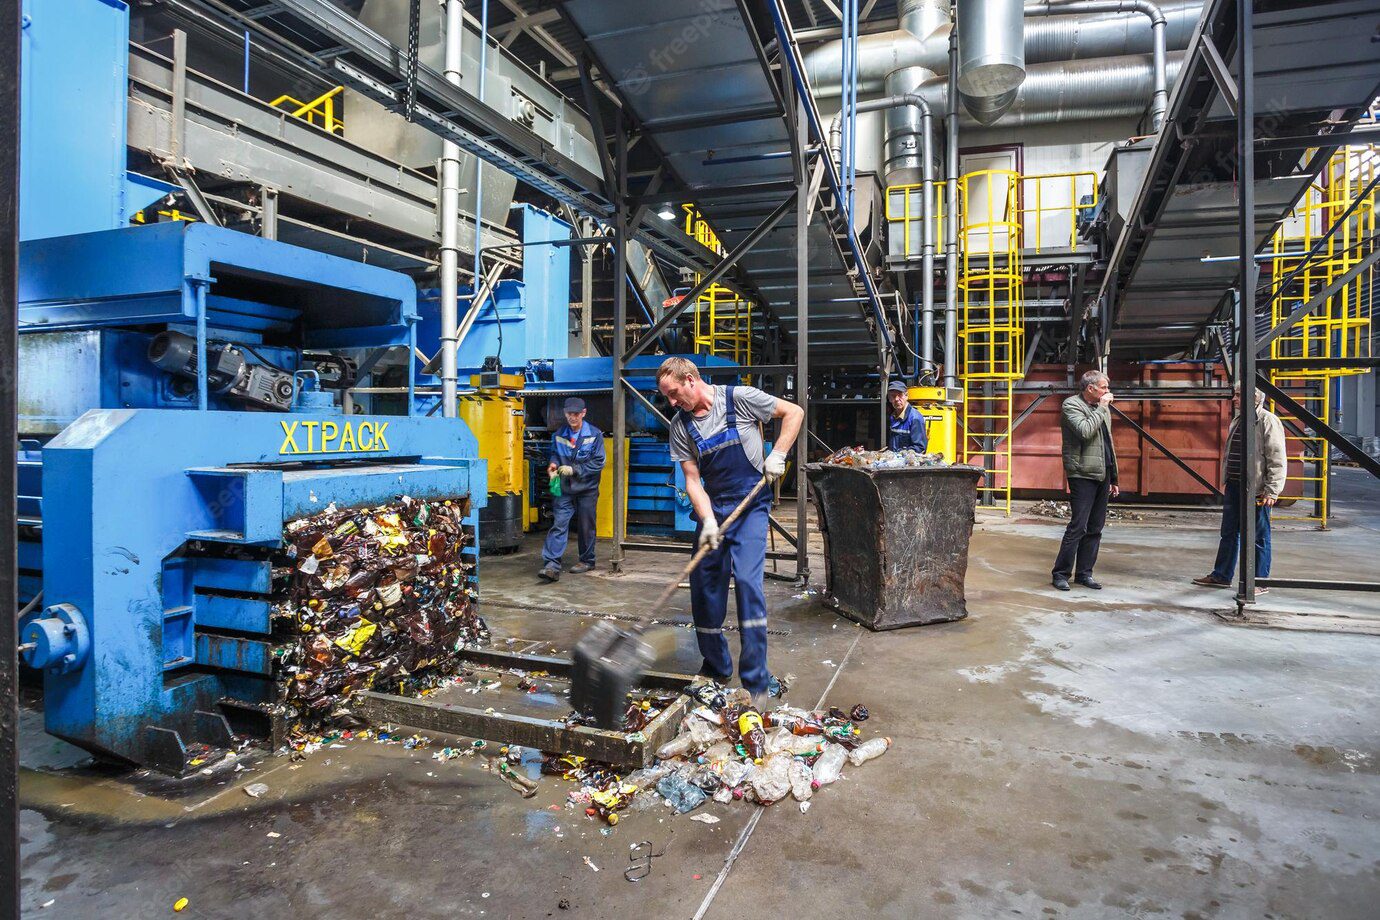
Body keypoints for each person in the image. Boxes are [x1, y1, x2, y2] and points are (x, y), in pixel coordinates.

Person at [658, 357, 804, 706]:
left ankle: (756, 680)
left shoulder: (739, 398)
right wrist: (707, 520)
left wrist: (779, 454)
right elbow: (693, 480)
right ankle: (716, 665)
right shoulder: (680, 426)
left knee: (749, 584)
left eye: (675, 394)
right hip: (717, 505)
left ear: (691, 380)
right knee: (705, 583)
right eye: (668, 397)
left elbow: (793, 412)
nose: (673, 403)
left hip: (751, 505)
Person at [1192, 386, 1287, 593]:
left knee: (1259, 536)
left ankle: (1259, 581)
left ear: (1252, 398)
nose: (1233, 398)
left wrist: (1272, 490)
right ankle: (1222, 576)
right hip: (1235, 485)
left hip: (1257, 489)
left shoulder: (1267, 421)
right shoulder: (1239, 420)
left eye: (1238, 395)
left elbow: (1277, 458)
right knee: (1229, 532)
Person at [1052, 369, 1120, 591]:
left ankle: (1084, 573)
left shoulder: (1102, 409)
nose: (1107, 392)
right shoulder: (1071, 405)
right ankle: (1060, 574)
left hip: (1103, 472)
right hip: (1082, 473)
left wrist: (1114, 477)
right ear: (1091, 389)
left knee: (1095, 527)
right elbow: (1084, 431)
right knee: (1078, 526)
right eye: (1104, 388)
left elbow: (1108, 443)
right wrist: (1102, 408)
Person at [538, 397, 605, 582]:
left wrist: (575, 470)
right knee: (559, 523)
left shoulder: (594, 434)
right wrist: (553, 465)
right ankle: (551, 565)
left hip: (587, 488)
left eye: (576, 414)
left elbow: (599, 462)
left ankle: (587, 560)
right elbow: (555, 454)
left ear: (583, 413)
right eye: (569, 414)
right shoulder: (559, 434)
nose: (572, 418)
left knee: (586, 526)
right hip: (564, 488)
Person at [886, 380, 929, 452]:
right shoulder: (893, 417)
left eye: (900, 395)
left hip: (908, 461)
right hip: (896, 461)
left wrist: (903, 454)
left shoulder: (915, 418)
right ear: (889, 399)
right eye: (893, 396)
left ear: (906, 396)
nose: (896, 399)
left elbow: (920, 447)